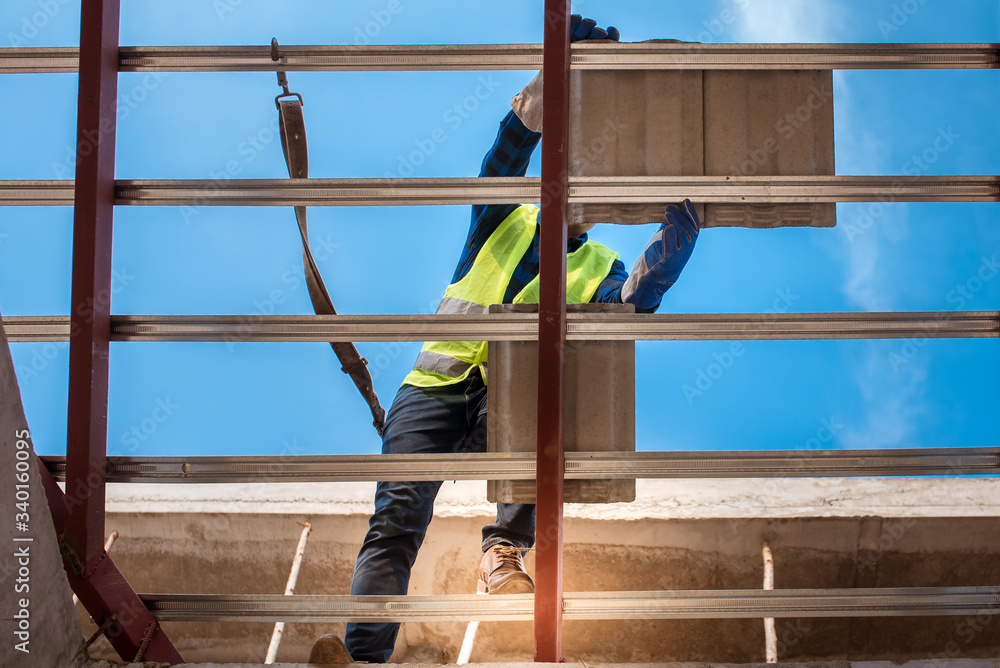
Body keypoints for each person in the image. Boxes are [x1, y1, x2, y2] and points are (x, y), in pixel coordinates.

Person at [308, 16, 701, 664]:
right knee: (396, 521)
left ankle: (502, 552)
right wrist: (559, 73)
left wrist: (677, 237)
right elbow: (508, 148)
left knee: (552, 399)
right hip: (434, 387)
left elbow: (634, 300)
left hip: (509, 400)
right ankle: (363, 660)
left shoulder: (600, 264)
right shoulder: (501, 218)